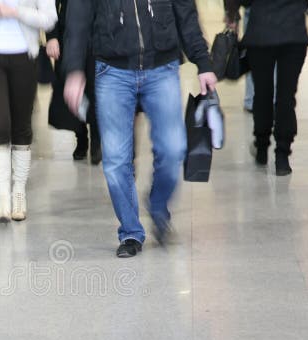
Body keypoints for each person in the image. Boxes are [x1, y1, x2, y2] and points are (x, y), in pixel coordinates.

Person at [63, 0, 217, 257]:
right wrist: (75, 70)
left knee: (173, 148)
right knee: (115, 160)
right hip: (112, 71)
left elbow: (185, 11)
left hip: (162, 67)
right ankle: (131, 231)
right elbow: (77, 19)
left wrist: (203, 61)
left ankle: (158, 206)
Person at [0, 0, 57, 222]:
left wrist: (16, 12)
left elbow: (49, 18)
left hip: (25, 58)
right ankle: (3, 196)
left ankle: (19, 193)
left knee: (21, 129)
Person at [225, 0, 308, 176]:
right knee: (286, 97)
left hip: (260, 33)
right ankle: (282, 156)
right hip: (293, 34)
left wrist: (232, 16)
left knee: (262, 94)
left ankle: (262, 147)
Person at [45, 0, 101, 165]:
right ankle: (81, 137)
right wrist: (52, 36)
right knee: (74, 93)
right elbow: (49, 5)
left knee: (97, 89)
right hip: (68, 37)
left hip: (100, 34)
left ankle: (97, 141)